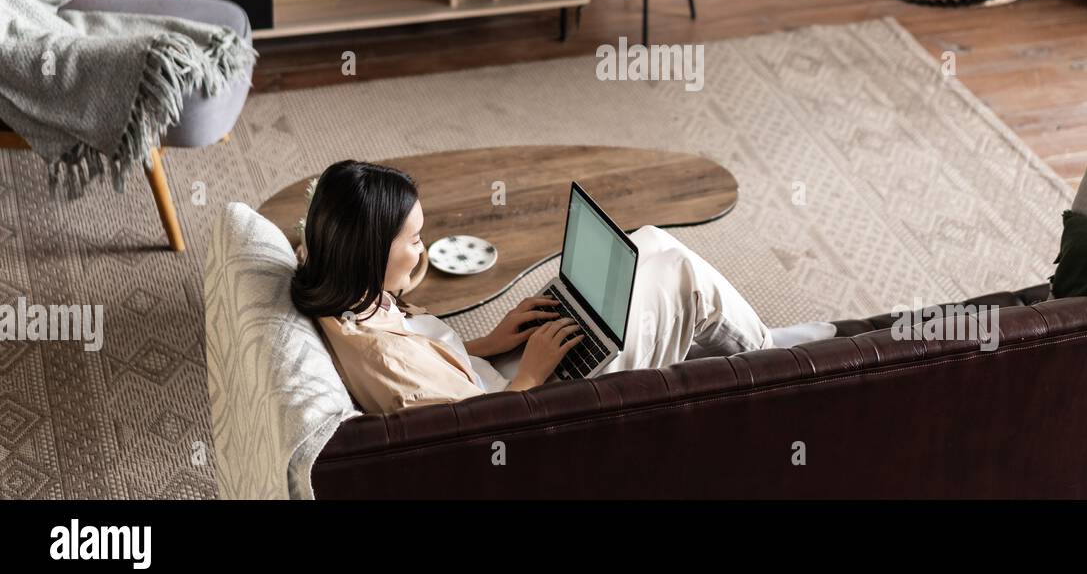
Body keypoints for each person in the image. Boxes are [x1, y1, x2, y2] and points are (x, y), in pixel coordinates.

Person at [291, 160, 836, 415]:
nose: (422, 250)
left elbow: (424, 364)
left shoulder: (339, 295)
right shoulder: (381, 355)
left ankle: (756, 341)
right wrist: (531, 369)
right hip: (533, 406)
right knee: (678, 278)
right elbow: (472, 436)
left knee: (649, 240)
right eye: (413, 239)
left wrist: (487, 343)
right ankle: (771, 358)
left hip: (495, 374)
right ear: (367, 251)